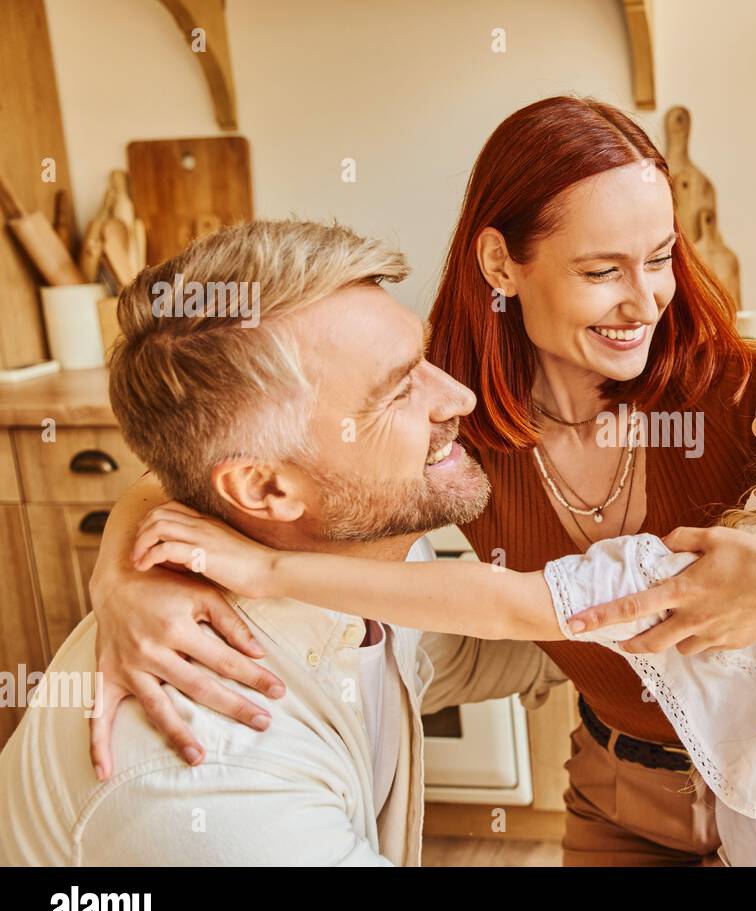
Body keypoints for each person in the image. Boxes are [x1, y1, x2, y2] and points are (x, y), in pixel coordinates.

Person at [89, 96, 756, 866]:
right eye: (602, 271)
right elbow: (216, 458)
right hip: (618, 795)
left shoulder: (750, 395)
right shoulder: (452, 417)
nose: (647, 300)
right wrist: (124, 573)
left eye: (663, 258)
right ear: (502, 262)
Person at [0, 221, 566, 865]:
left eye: (425, 359)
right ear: (265, 491)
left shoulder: (359, 561)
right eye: (399, 388)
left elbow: (455, 657)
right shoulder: (205, 778)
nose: (459, 397)